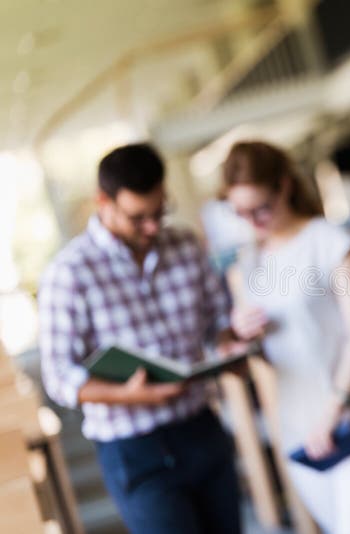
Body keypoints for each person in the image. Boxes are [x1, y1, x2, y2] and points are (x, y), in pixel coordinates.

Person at [38, 143, 242, 534]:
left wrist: (228, 344)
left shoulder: (184, 244)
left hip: (200, 428)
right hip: (133, 450)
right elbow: (60, 377)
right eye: (137, 217)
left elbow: (217, 320)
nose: (151, 227)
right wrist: (130, 395)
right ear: (103, 202)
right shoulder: (69, 273)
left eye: (159, 212)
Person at [222, 141, 350, 534]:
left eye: (260, 207)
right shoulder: (251, 261)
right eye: (241, 213)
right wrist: (245, 338)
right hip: (297, 429)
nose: (253, 220)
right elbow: (273, 354)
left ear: (283, 187)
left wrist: (335, 409)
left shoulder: (328, 240)